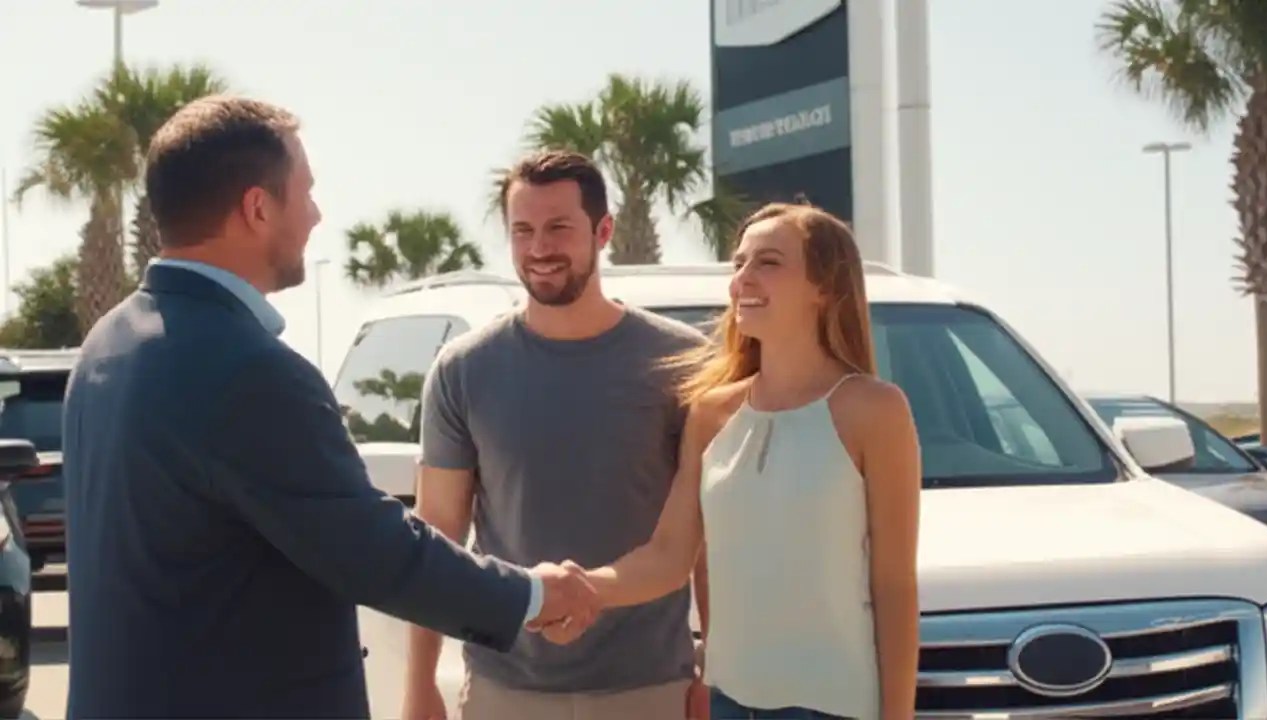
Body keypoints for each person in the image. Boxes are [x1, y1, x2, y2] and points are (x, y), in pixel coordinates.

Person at [61, 95, 599, 720]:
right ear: (257, 208)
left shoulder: (108, 342)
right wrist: (534, 595)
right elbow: (370, 549)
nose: (316, 215)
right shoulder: (247, 369)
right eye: (306, 192)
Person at [544, 202, 923, 720]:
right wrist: (579, 589)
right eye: (739, 263)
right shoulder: (712, 411)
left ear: (825, 288)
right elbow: (670, 555)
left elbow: (895, 586)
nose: (742, 277)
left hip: (832, 707)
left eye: (768, 262)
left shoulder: (875, 410)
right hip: (728, 703)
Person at [402, 149, 710, 720]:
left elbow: (706, 540)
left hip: (649, 688)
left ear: (604, 231)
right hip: (505, 688)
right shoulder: (464, 369)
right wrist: (419, 684)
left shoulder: (683, 362)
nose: (539, 248)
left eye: (559, 228)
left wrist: (714, 670)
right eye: (523, 230)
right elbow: (437, 536)